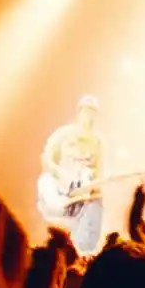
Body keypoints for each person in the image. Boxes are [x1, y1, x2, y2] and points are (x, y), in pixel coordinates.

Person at [40, 96, 106, 254]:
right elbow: (47, 158)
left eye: (92, 113)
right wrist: (60, 177)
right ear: (79, 112)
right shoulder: (63, 134)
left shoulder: (98, 142)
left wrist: (93, 193)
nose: (88, 116)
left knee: (82, 239)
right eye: (86, 111)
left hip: (83, 197)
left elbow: (98, 172)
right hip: (61, 195)